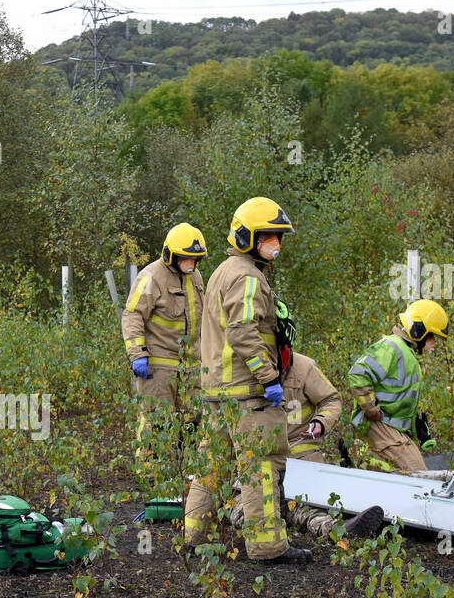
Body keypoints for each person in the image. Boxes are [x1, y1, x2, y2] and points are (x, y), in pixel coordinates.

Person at [184, 196, 310, 564]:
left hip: (218, 392)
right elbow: (243, 332)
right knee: (262, 467)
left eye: (279, 237)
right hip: (249, 394)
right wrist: (269, 377)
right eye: (270, 236)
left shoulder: (223, 271)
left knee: (212, 466)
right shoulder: (247, 276)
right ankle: (268, 547)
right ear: (248, 237)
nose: (277, 244)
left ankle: (192, 537)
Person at [229, 322, 384, 539]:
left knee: (306, 505)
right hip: (261, 458)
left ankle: (335, 530)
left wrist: (321, 422)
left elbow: (331, 400)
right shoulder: (243, 371)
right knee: (244, 507)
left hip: (302, 456)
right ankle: (274, 522)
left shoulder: (304, 367)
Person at [120, 222, 207, 467]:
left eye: (195, 259)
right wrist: (137, 354)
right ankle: (153, 475)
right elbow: (132, 314)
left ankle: (185, 473)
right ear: (171, 255)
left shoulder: (195, 278)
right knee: (157, 423)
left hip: (191, 367)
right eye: (186, 258)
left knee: (192, 421)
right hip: (158, 367)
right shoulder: (151, 277)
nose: (191, 264)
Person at [347, 299, 449, 472]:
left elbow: (394, 394)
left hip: (390, 429)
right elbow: (358, 374)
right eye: (431, 335)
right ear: (419, 330)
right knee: (418, 477)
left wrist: (414, 425)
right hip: (381, 427)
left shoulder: (405, 352)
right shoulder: (391, 347)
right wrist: (371, 409)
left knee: (381, 484)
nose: (433, 342)